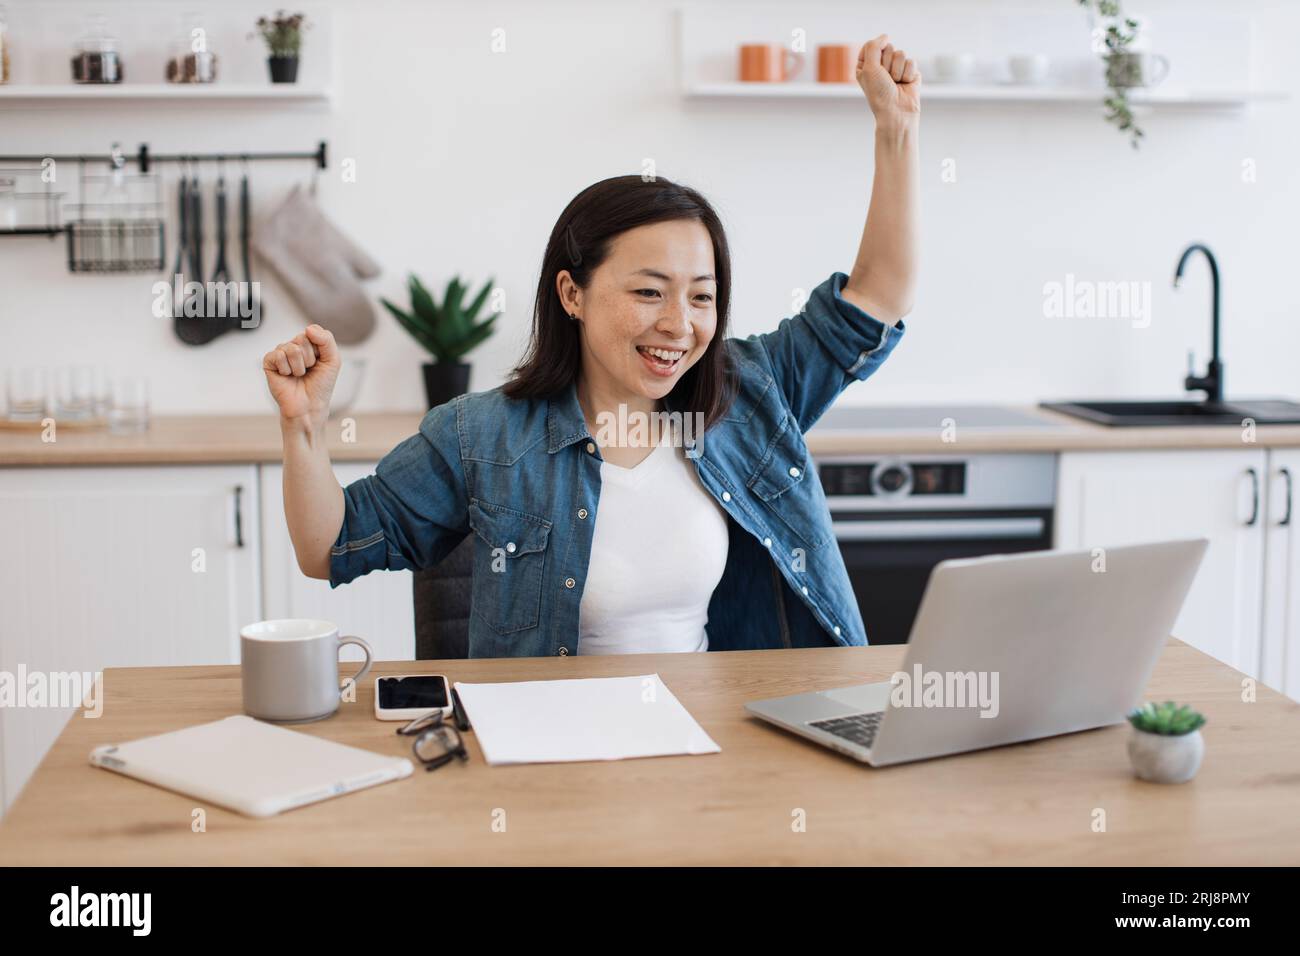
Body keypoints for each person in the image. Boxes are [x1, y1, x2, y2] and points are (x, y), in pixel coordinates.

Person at [263, 35, 919, 658]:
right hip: (550, 746)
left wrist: (897, 131)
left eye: (700, 296)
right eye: (648, 292)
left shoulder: (752, 392)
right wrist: (303, 426)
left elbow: (878, 298)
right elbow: (331, 547)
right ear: (572, 294)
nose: (679, 324)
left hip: (716, 737)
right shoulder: (481, 435)